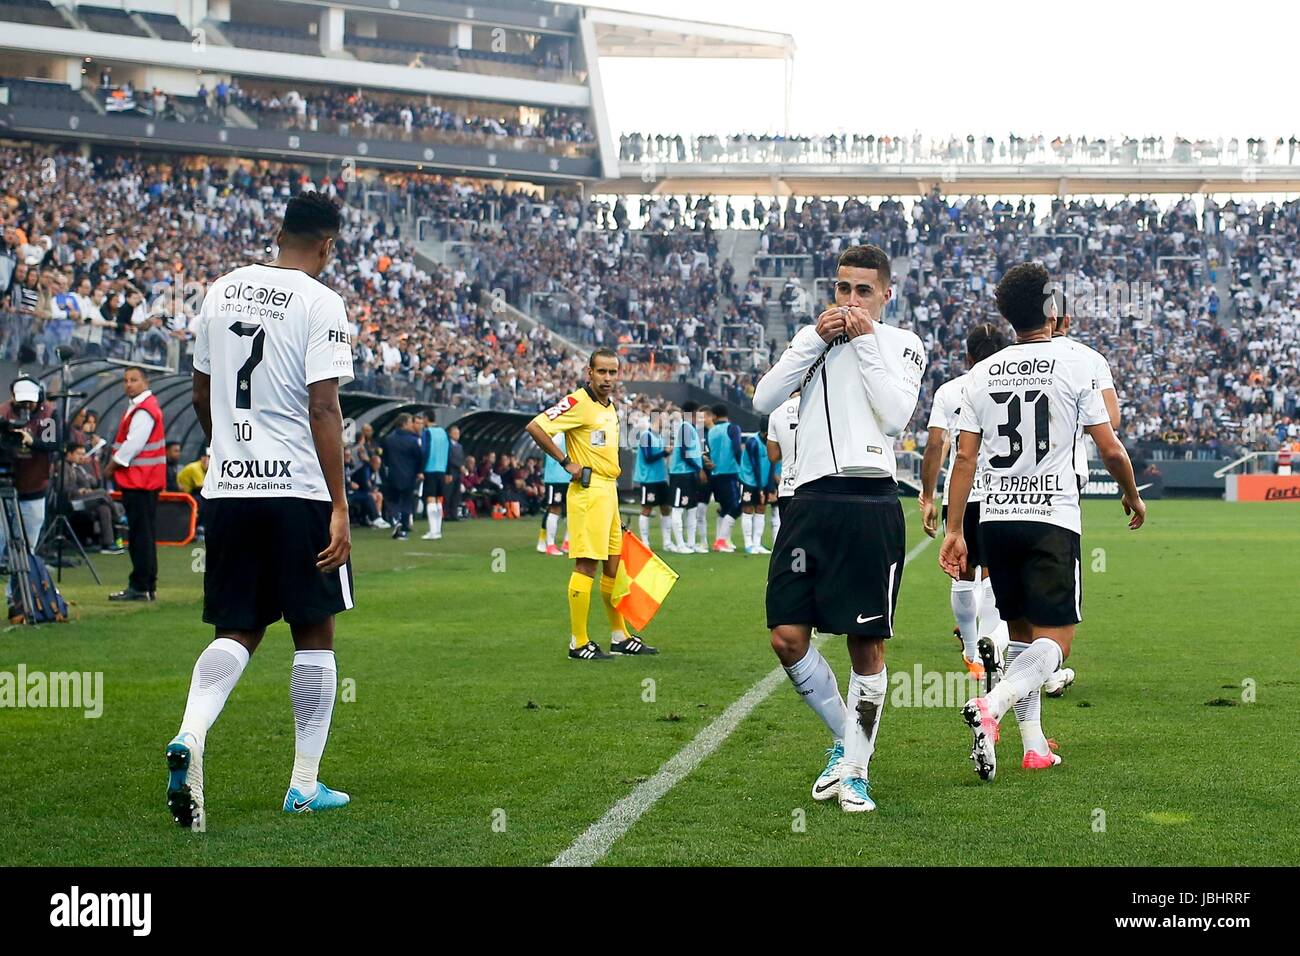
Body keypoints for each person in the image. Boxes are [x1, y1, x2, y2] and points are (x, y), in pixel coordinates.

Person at [166, 191, 356, 830]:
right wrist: (339, 506)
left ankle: (191, 736)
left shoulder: (220, 291)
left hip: (230, 488)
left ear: (278, 233)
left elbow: (200, 390)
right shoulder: (321, 301)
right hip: (298, 489)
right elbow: (323, 407)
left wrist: (228, 452)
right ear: (327, 245)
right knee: (314, 629)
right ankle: (303, 784)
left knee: (237, 629)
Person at [940, 262, 1146, 781]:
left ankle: (1032, 744)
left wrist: (955, 528)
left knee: (1020, 636)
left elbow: (963, 460)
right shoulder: (1076, 362)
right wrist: (1130, 494)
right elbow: (1111, 444)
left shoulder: (981, 373)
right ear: (1052, 310)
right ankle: (994, 703)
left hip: (996, 518)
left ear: (1006, 316)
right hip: (1051, 516)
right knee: (1057, 643)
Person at [752, 244, 926, 813]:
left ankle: (855, 770)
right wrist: (812, 341)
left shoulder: (902, 344)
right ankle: (844, 739)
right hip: (808, 501)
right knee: (786, 636)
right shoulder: (812, 341)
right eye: (843, 289)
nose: (850, 301)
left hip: (870, 501)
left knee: (865, 645)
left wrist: (865, 340)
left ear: (886, 293)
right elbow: (764, 399)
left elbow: (895, 415)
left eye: (863, 291)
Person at [524, 349, 657, 660]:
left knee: (613, 563)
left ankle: (618, 635)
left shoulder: (609, 407)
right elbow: (535, 427)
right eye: (602, 372)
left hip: (607, 491)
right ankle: (578, 641)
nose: (607, 378)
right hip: (587, 490)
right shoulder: (577, 403)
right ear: (589, 372)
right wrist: (565, 462)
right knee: (587, 563)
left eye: (613, 372)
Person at [919, 323, 1011, 678]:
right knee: (992, 578)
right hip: (1002, 494)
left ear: (968, 355)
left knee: (961, 574)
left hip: (961, 494)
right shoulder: (1011, 386)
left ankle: (973, 654)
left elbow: (935, 445)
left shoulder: (950, 391)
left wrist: (927, 495)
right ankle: (994, 655)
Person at [105, 367, 166, 602]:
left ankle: (140, 585)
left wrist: (113, 465)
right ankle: (147, 584)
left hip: (139, 480)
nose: (128, 384)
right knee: (146, 535)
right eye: (126, 380)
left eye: (134, 380)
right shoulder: (144, 406)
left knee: (140, 536)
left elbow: (133, 445)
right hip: (146, 480)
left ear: (145, 382)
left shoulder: (144, 409)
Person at [0, 377, 57, 567]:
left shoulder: (47, 414)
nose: (26, 405)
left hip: (34, 485)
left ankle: (16, 594)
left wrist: (32, 441)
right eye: (21, 400)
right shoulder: (3, 413)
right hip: (4, 483)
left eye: (30, 401)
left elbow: (53, 444)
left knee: (28, 543)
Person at [60, 441, 124, 554]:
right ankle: (118, 519)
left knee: (103, 508)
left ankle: (107, 544)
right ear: (69, 454)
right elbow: (63, 488)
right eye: (78, 454)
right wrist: (80, 490)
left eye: (83, 454)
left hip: (82, 499)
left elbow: (95, 482)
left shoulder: (81, 468)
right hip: (72, 502)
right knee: (102, 493)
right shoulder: (63, 467)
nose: (82, 457)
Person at [667, 400, 707, 553]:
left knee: (692, 508)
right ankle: (679, 544)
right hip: (681, 474)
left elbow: (692, 452)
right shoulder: (685, 428)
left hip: (689, 473)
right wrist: (699, 469)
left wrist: (703, 462)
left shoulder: (690, 429)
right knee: (678, 508)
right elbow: (685, 453)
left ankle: (690, 543)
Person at [633, 412, 673, 552]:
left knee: (665, 508)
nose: (667, 420)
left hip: (661, 478)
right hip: (648, 479)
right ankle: (645, 542)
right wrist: (664, 452)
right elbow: (648, 457)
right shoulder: (646, 436)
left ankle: (667, 543)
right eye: (664, 418)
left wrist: (667, 452)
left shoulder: (660, 437)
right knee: (647, 508)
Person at [706, 405, 742, 552]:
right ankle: (721, 541)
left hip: (715, 473)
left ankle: (722, 540)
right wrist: (742, 465)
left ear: (714, 416)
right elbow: (736, 448)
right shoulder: (733, 428)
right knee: (735, 507)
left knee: (724, 508)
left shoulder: (711, 431)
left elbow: (710, 450)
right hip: (730, 472)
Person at [764, 389, 799, 544]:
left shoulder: (777, 412)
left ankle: (795, 567)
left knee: (791, 543)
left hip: (788, 487)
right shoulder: (822, 407)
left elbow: (773, 456)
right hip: (815, 485)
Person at [382, 413, 423, 540]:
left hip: (393, 475)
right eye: (411, 422)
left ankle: (396, 521)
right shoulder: (413, 440)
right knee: (406, 501)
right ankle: (404, 526)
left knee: (394, 501)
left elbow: (386, 459)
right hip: (409, 475)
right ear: (404, 424)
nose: (412, 424)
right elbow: (419, 458)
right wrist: (418, 472)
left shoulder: (389, 439)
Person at [737, 423, 775, 555]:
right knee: (748, 509)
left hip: (763, 483)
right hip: (748, 481)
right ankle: (748, 543)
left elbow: (772, 465)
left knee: (761, 509)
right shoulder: (752, 442)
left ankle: (757, 543)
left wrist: (769, 488)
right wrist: (759, 489)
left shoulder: (772, 442)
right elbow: (756, 466)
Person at [420, 410, 450, 540]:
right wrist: (447, 471)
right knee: (438, 500)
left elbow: (425, 451)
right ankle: (438, 530)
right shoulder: (444, 432)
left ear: (426, 419)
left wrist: (421, 469)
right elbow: (449, 452)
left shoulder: (427, 432)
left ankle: (433, 531)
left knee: (430, 499)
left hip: (430, 468)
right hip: (442, 469)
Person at [537, 432, 569, 556]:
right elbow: (552, 445)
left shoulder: (571, 433)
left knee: (573, 511)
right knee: (554, 509)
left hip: (570, 477)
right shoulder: (558, 433)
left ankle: (567, 543)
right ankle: (550, 544)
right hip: (556, 478)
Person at [445, 424, 464, 522]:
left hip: (458, 474)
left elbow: (461, 458)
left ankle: (454, 514)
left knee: (456, 495)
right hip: (450, 472)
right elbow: (450, 459)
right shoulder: (447, 445)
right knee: (448, 494)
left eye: (458, 433)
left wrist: (462, 466)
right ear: (450, 434)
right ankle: (446, 514)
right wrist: (460, 466)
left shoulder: (460, 446)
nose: (457, 435)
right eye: (455, 433)